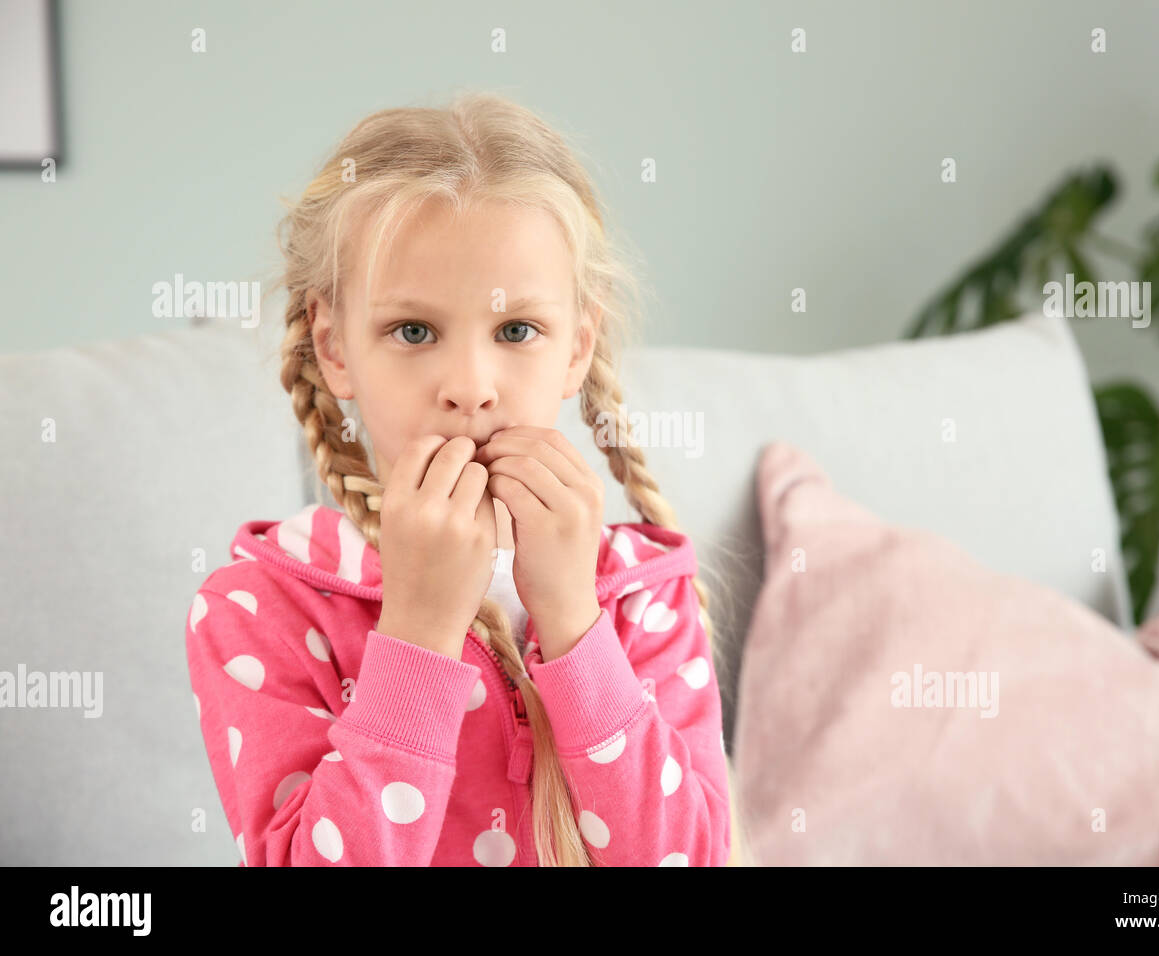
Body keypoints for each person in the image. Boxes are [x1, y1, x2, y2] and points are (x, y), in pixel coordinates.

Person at [185, 91, 751, 866]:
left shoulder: (643, 594)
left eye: (517, 330)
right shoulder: (261, 607)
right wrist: (418, 628)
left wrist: (572, 617)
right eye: (413, 331)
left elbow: (684, 857)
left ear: (576, 349)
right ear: (335, 348)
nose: (471, 385)